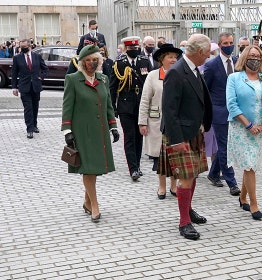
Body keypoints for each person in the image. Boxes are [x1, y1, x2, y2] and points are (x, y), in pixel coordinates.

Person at [161, 34, 212, 240]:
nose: (209, 56)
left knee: (193, 174)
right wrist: (176, 140)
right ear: (199, 52)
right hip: (181, 134)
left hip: (194, 132)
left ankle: (188, 210)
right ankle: (184, 223)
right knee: (185, 178)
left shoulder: (193, 69)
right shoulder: (176, 72)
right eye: (207, 53)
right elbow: (169, 109)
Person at [61, 44, 120, 222]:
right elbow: (67, 106)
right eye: (87, 60)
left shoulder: (103, 79)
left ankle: (87, 201)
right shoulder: (73, 79)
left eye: (95, 60)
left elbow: (108, 104)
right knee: (88, 169)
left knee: (95, 169)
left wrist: (113, 126)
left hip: (100, 131)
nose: (91, 63)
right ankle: (95, 205)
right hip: (82, 132)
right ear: (81, 62)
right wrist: (67, 130)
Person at [226, 45, 262, 220]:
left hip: (260, 129)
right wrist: (248, 125)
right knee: (248, 164)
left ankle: (242, 197)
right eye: (251, 56)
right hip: (241, 128)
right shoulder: (234, 78)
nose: (254, 59)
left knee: (252, 166)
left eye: (257, 56)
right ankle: (254, 203)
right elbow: (231, 104)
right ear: (244, 58)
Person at [138, 43, 181, 199]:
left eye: (175, 57)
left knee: (174, 156)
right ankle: (162, 186)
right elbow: (145, 100)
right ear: (162, 59)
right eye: (170, 57)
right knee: (160, 157)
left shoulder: (180, 74)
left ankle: (174, 186)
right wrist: (142, 122)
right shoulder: (153, 75)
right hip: (157, 123)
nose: (173, 60)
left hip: (175, 123)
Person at [203, 32, 241, 196]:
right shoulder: (211, 65)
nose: (229, 45)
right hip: (219, 112)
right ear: (219, 45)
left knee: (226, 146)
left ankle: (213, 173)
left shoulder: (237, 62)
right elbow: (206, 89)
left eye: (231, 42)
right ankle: (232, 182)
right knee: (226, 147)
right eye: (225, 43)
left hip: (235, 112)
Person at [110, 36, 152, 181]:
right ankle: (133, 168)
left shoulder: (144, 62)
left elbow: (150, 84)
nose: (135, 50)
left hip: (141, 105)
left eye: (136, 48)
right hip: (125, 106)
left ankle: (138, 166)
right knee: (129, 136)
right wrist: (113, 107)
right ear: (126, 49)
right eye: (132, 48)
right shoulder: (119, 64)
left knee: (139, 136)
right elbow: (113, 87)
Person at [12, 39, 48, 139]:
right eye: (21, 47)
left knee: (35, 107)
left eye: (24, 47)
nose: (22, 49)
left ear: (30, 46)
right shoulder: (17, 58)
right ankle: (29, 129)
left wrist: (41, 76)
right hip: (24, 87)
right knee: (28, 108)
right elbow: (14, 73)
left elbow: (45, 68)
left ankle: (34, 125)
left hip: (36, 86)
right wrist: (14, 87)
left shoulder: (37, 57)